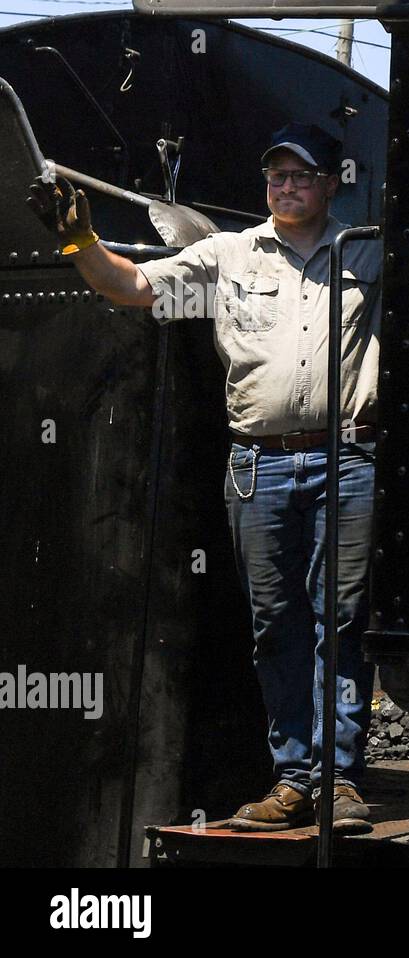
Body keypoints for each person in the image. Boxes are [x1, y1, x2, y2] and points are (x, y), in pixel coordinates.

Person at [27, 122, 381, 834]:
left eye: (301, 175)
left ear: (332, 183)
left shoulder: (367, 251)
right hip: (259, 464)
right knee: (275, 625)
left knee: (340, 624)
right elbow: (129, 287)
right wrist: (77, 241)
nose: (286, 187)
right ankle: (293, 781)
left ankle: (339, 781)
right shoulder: (225, 255)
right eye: (276, 176)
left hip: (348, 460)